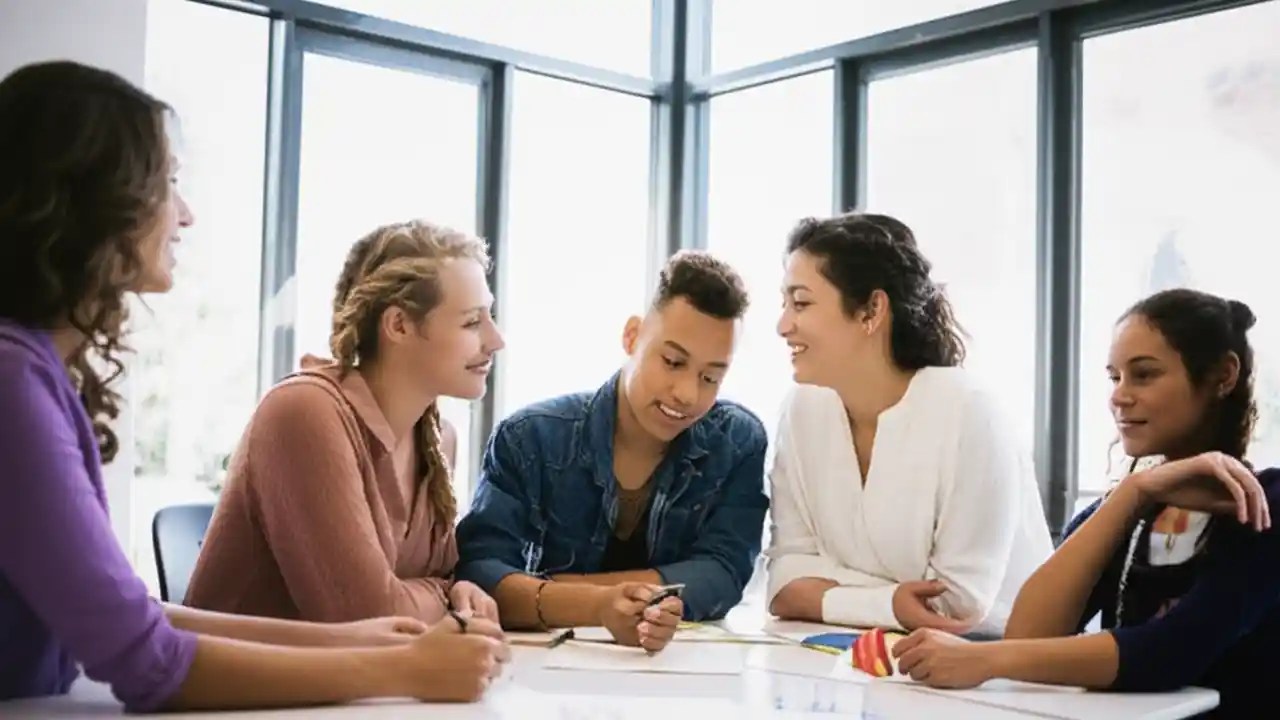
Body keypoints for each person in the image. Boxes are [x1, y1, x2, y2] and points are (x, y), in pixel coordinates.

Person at [0, 60, 507, 712]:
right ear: (92, 202)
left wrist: (370, 644)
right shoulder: (13, 383)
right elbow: (145, 663)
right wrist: (397, 666)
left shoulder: (36, 376)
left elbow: (136, 618)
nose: (183, 215)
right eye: (167, 185)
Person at [888, 289, 1278, 719]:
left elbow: (1172, 652)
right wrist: (1133, 493)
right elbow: (1031, 634)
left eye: (1144, 375)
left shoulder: (1267, 505)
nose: (1119, 396)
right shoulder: (1125, 510)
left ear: (1223, 376)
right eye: (1114, 378)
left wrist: (985, 660)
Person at [186, 220, 503, 626]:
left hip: (364, 688)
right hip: (255, 688)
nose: (496, 340)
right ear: (399, 325)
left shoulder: (439, 439)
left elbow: (413, 598)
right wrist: (443, 595)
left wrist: (457, 588)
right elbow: (368, 619)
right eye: (472, 322)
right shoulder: (303, 413)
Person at [455, 250, 767, 650]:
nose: (688, 394)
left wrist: (561, 592)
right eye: (672, 362)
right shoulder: (530, 437)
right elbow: (482, 574)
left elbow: (723, 573)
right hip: (540, 679)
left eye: (710, 377)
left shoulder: (738, 441)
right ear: (632, 336)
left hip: (678, 675)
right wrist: (598, 604)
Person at [766, 212, 1052, 638]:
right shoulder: (802, 409)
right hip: (872, 664)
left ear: (871, 311)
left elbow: (957, 604)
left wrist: (830, 586)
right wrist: (890, 603)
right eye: (784, 303)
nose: (782, 325)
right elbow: (783, 584)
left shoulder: (969, 411)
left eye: (801, 303)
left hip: (1004, 678)